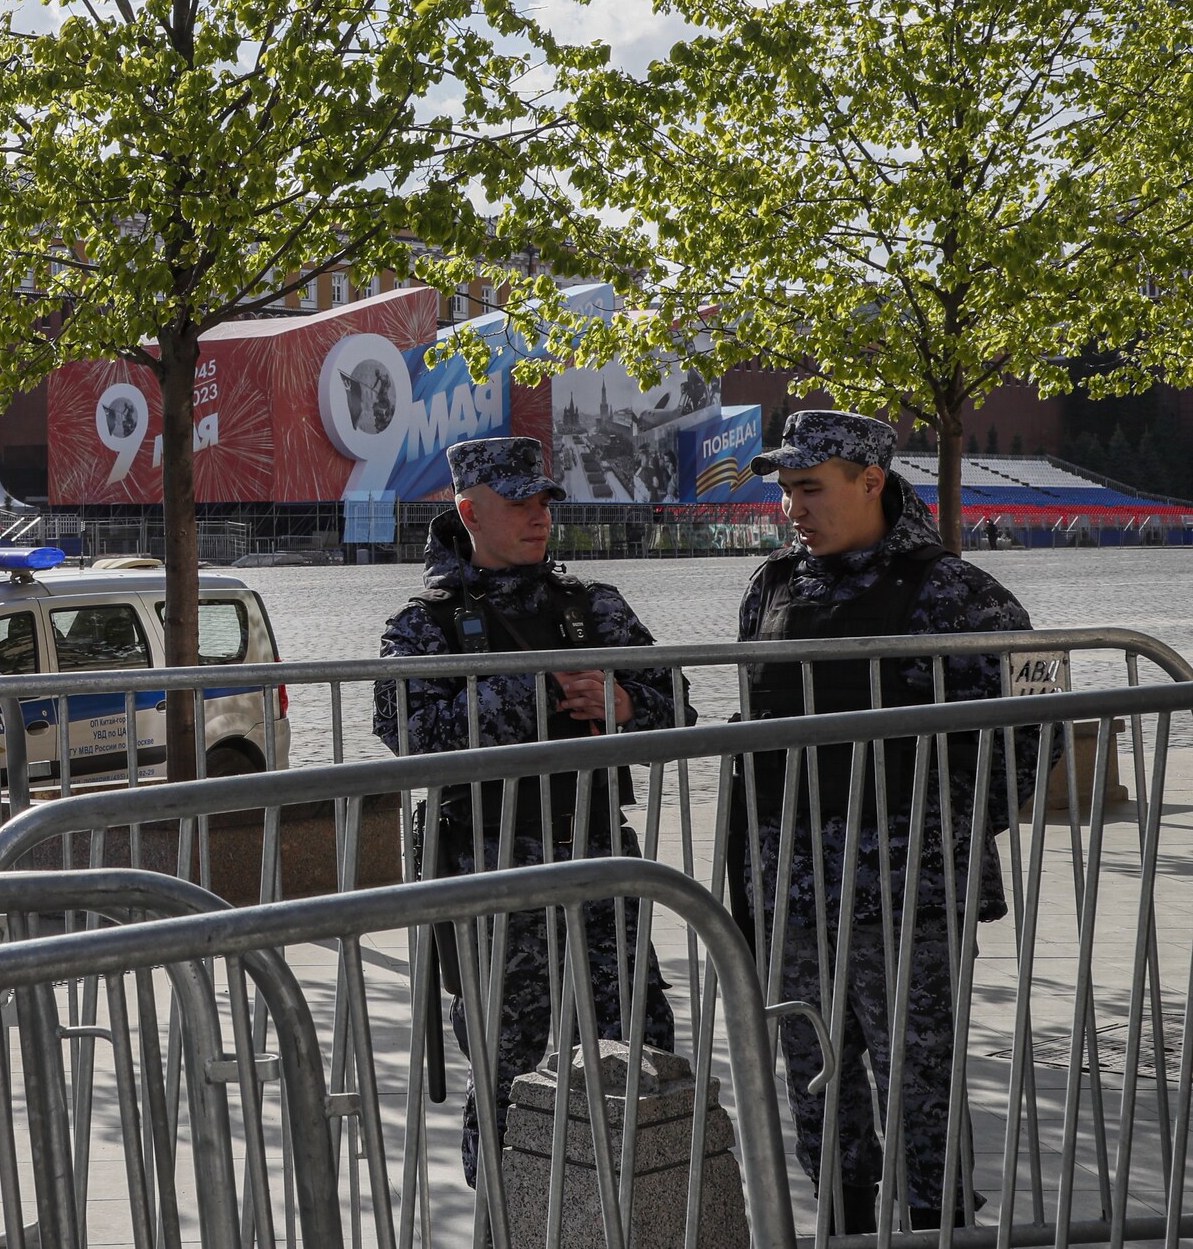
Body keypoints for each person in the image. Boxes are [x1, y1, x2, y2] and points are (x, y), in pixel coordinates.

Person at [733, 410, 1041, 1236]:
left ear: (871, 481)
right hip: (794, 897)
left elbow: (1032, 730)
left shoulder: (957, 593)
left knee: (922, 1088)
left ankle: (938, 1226)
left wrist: (940, 829)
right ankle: (842, 1225)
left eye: (811, 487)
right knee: (816, 1089)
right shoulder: (771, 587)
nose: (793, 507)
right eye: (787, 490)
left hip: (907, 899)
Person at [374, 436, 689, 1185]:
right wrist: (536, 687)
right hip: (489, 874)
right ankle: (502, 1215)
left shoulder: (592, 606)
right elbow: (408, 731)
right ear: (469, 511)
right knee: (503, 1070)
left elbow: (678, 703)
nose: (539, 516)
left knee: (640, 1049)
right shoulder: (424, 624)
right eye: (518, 502)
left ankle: (639, 1209)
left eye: (544, 500)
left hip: (598, 859)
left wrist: (622, 702)